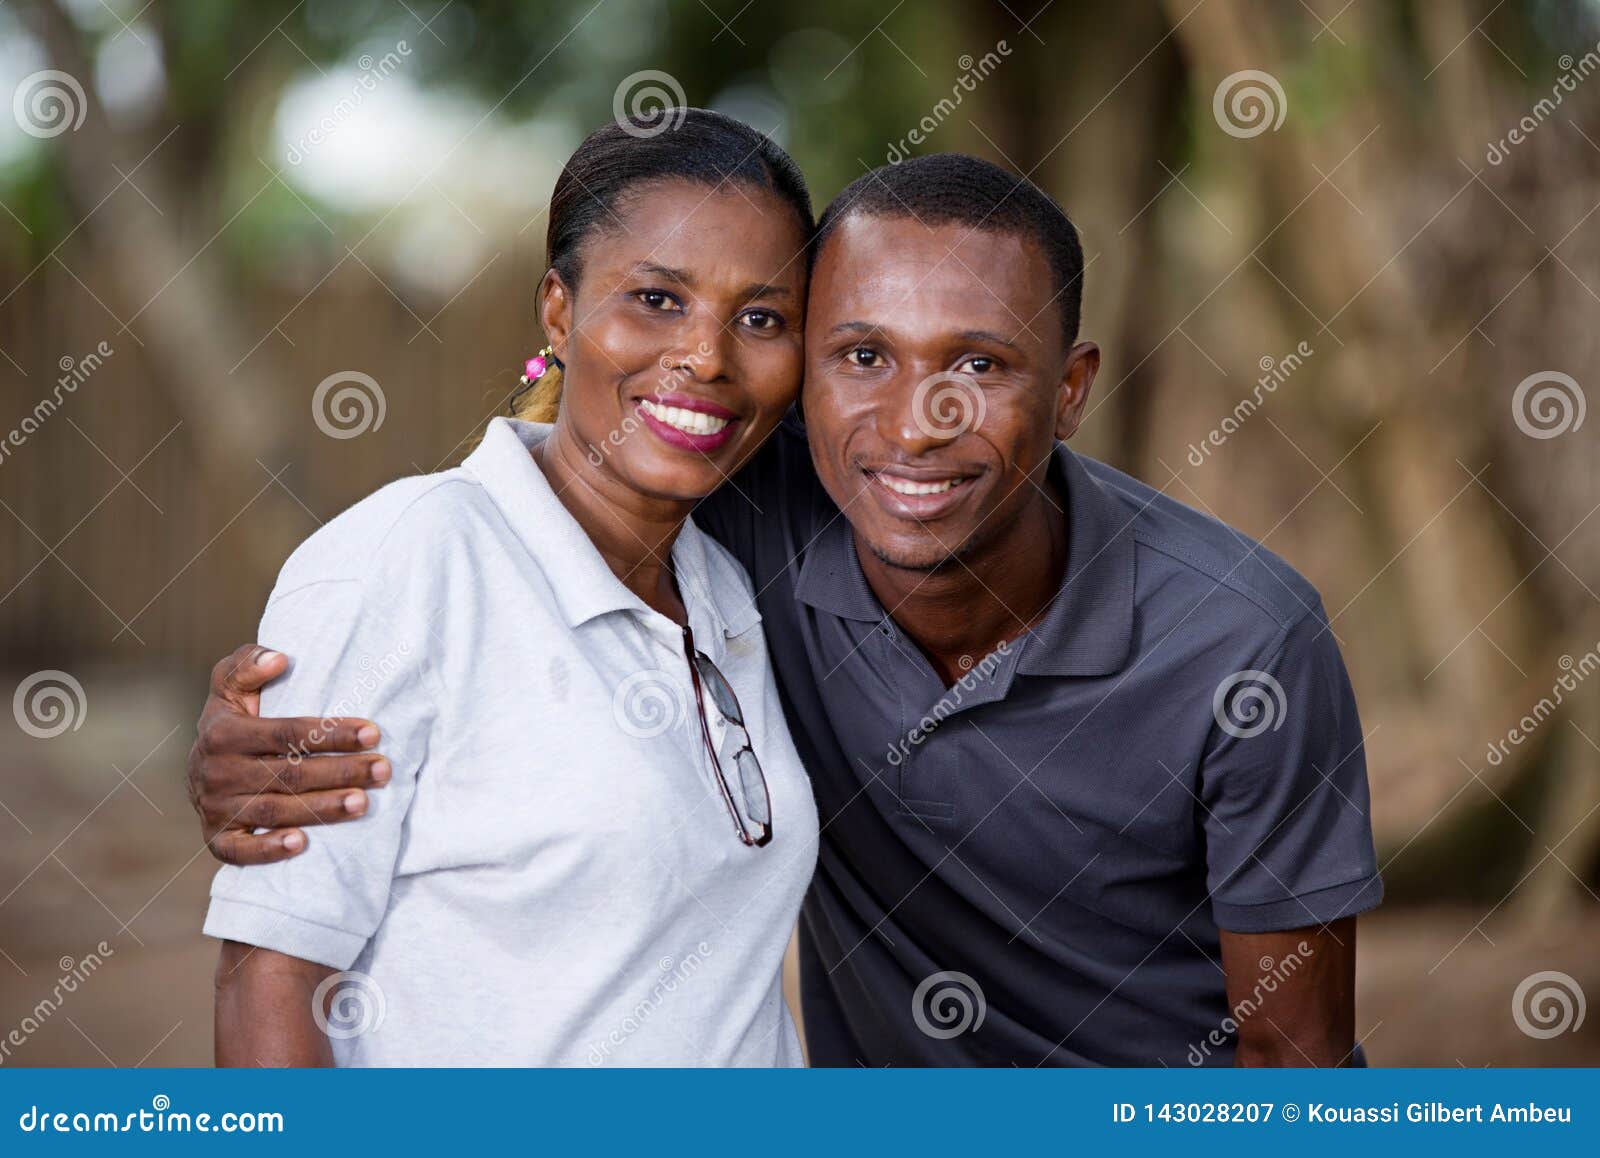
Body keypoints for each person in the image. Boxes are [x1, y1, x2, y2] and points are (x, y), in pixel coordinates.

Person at [190, 149, 1383, 1067]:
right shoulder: (735, 517)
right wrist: (264, 733)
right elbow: (507, 539)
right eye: (860, 354)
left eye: (979, 363)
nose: (917, 423)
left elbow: (1298, 1057)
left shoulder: (1237, 638)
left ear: (1069, 391)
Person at [201, 108, 823, 1066]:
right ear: (560, 312)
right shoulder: (412, 559)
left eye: (761, 317)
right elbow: (272, 978)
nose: (708, 356)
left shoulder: (729, 586)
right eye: (658, 298)